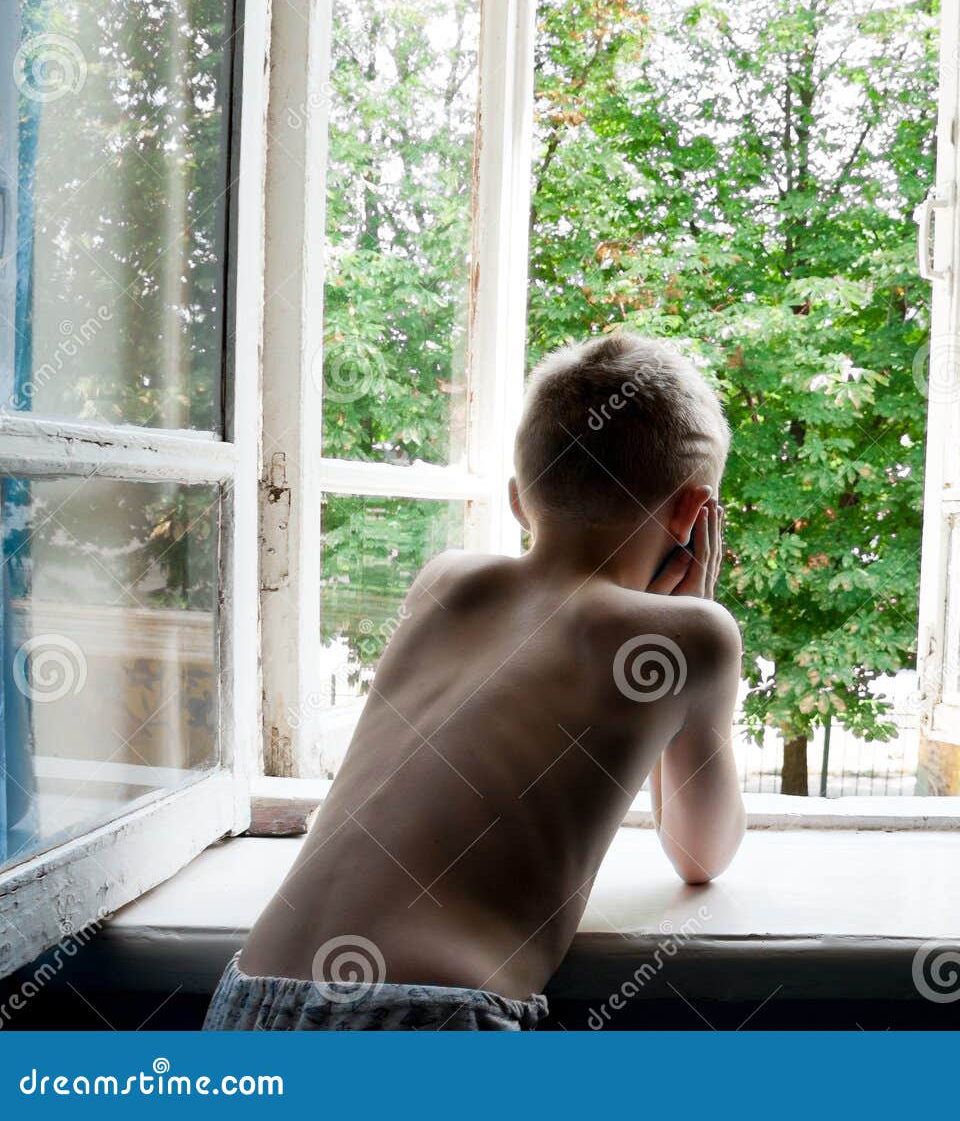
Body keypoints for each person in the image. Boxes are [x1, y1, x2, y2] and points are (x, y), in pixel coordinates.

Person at [205, 332, 746, 1030]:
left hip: (249, 1000)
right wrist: (690, 628)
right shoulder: (693, 636)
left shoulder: (445, 580)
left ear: (519, 500)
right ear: (693, 515)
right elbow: (701, 853)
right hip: (427, 1017)